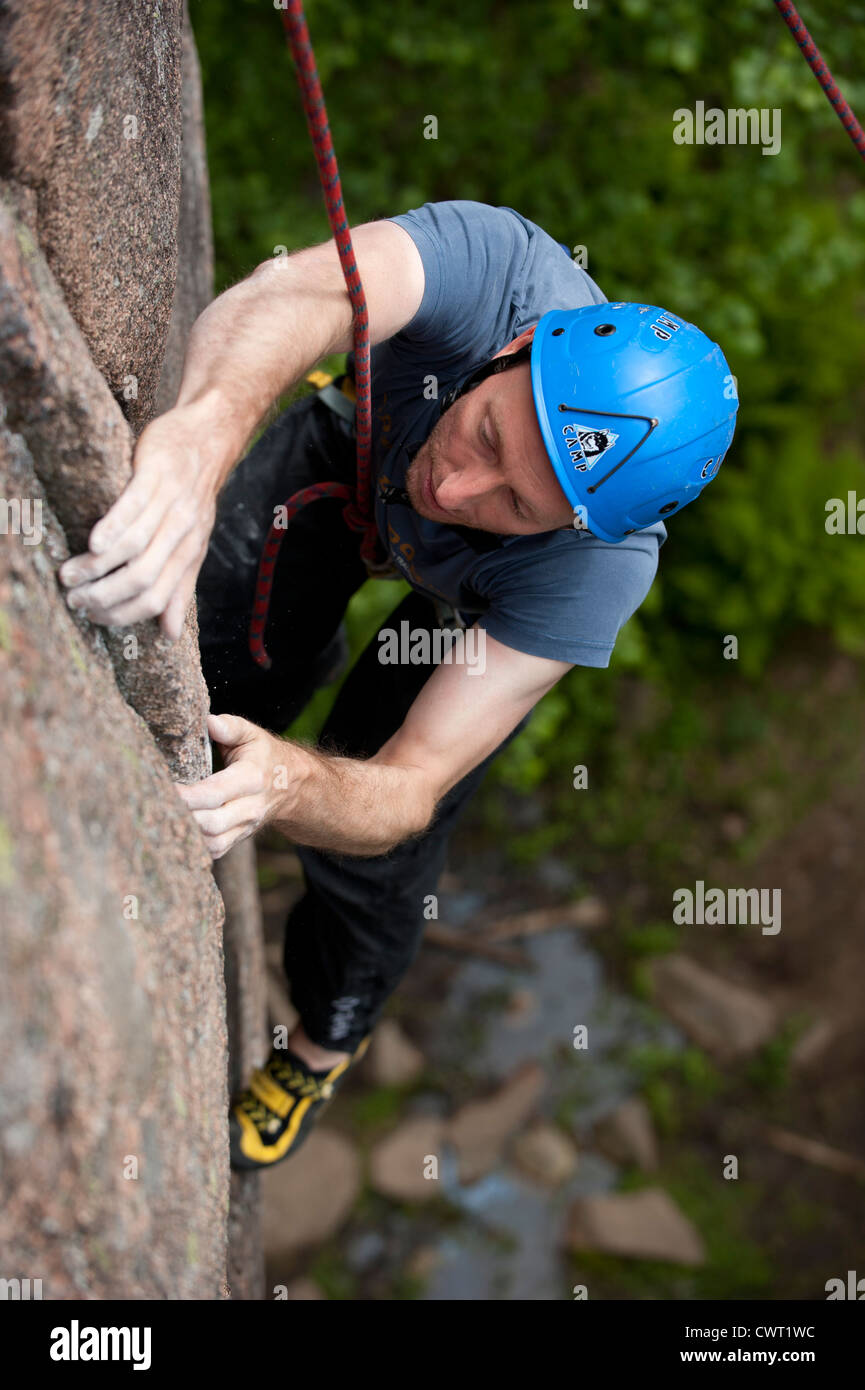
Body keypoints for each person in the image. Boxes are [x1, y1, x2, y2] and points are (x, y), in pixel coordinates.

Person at [58, 200, 737, 1169]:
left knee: (372, 845)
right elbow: (297, 289)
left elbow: (409, 784)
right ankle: (292, 658)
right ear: (511, 349)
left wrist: (293, 787)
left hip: (465, 597)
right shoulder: (493, 269)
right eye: (490, 438)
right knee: (224, 649)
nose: (461, 491)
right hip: (361, 451)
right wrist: (200, 440)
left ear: (574, 528)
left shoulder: (586, 572)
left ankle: (324, 1045)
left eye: (516, 503)